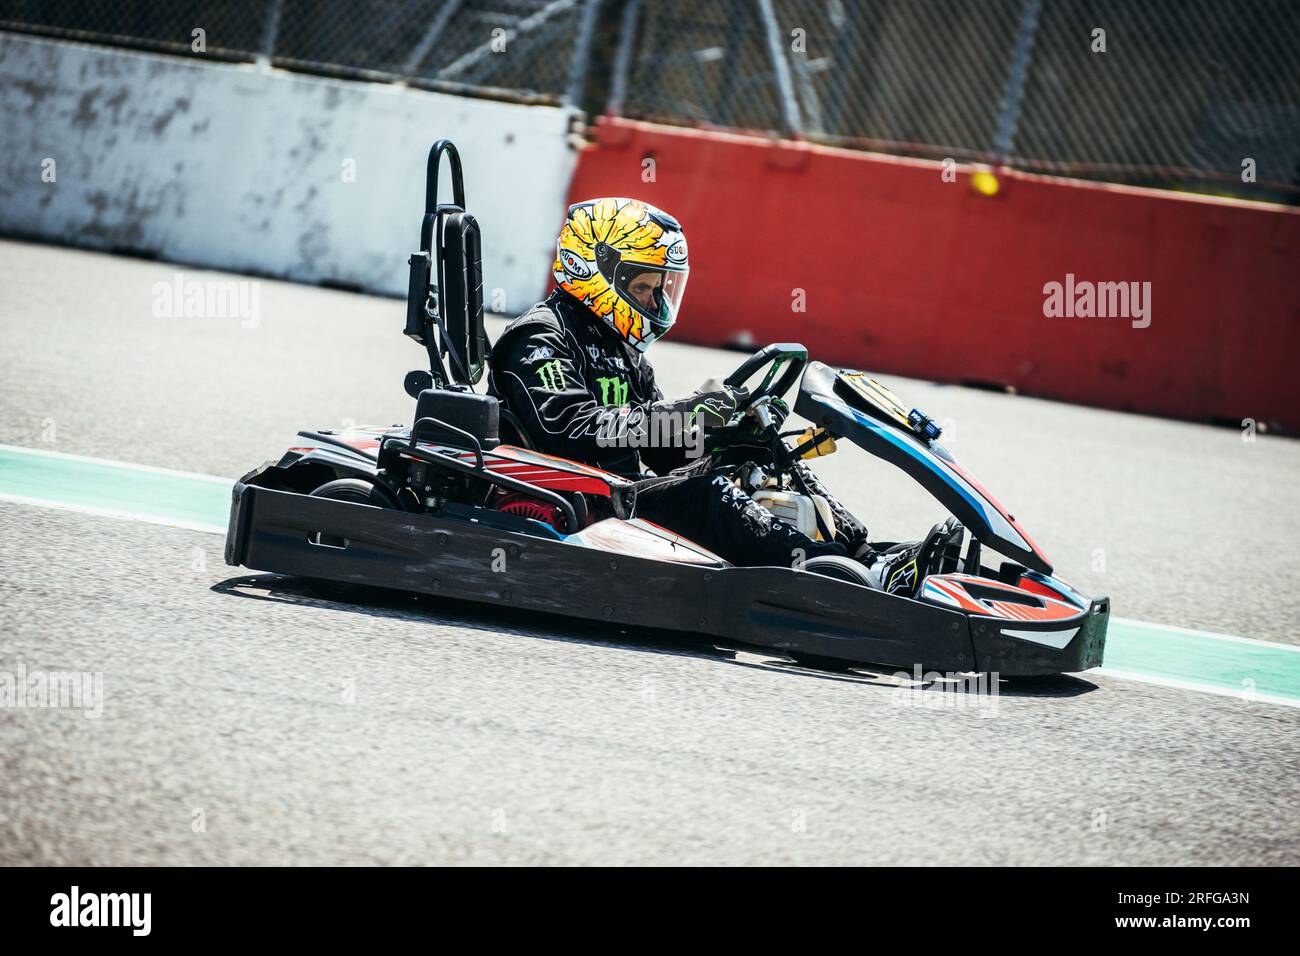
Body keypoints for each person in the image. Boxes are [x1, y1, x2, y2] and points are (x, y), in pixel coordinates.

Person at [487, 197, 946, 589]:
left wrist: (725, 437)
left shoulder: (623, 350)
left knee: (758, 459)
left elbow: (663, 451)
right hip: (578, 497)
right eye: (641, 286)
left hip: (622, 488)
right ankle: (824, 578)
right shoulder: (539, 339)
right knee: (707, 493)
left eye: (657, 288)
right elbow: (574, 429)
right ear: (595, 271)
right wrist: (689, 414)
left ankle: (867, 558)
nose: (651, 302)